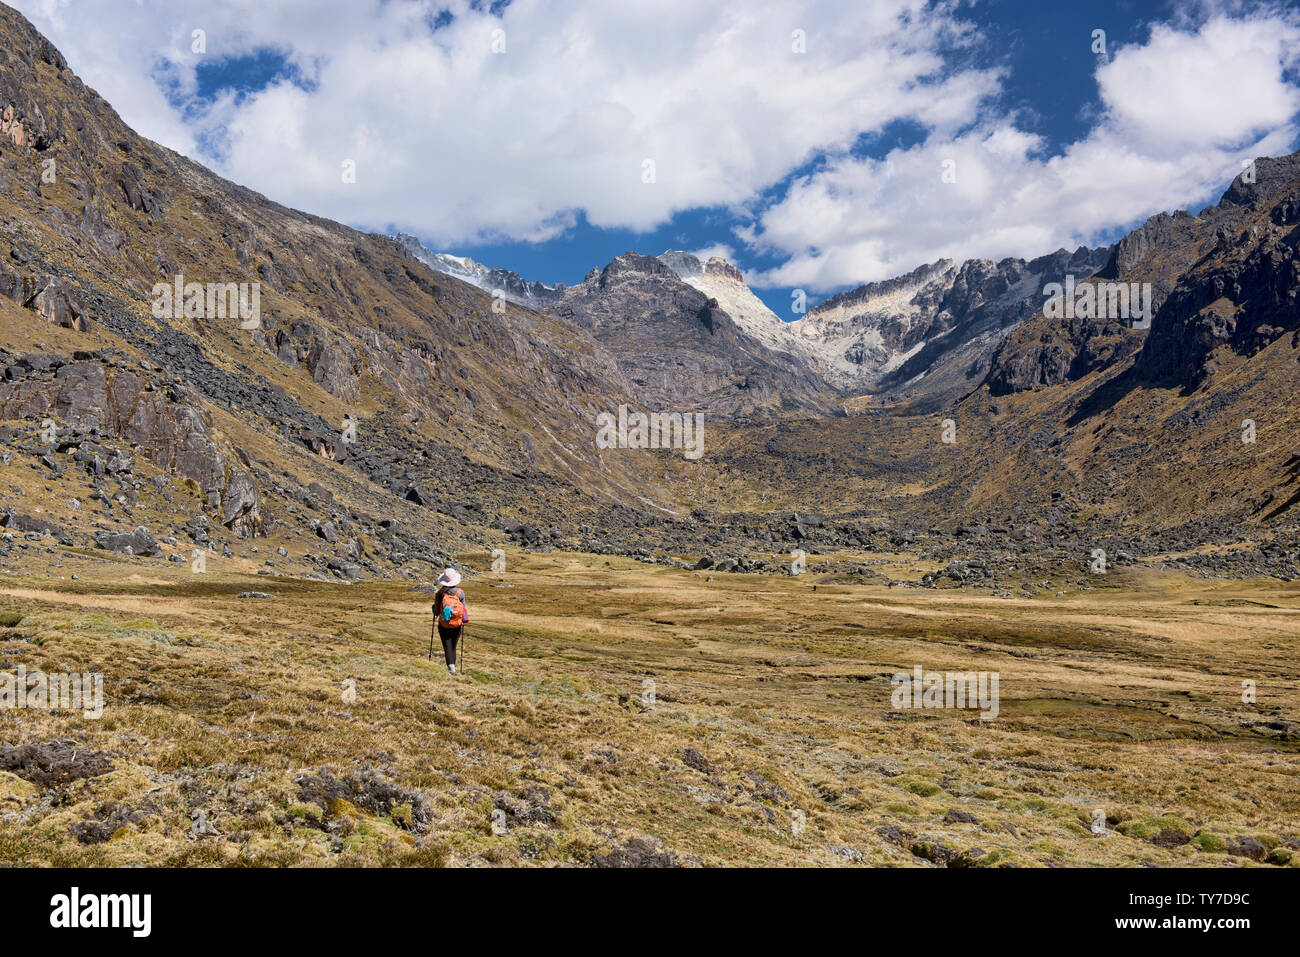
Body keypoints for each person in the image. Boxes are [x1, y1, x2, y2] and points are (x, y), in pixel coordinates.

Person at [433, 567, 469, 675]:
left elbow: (436, 612)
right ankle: (453, 666)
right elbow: (463, 609)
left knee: (447, 646)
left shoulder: (439, 594)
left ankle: (451, 668)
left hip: (444, 624)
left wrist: (434, 608)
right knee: (453, 646)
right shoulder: (460, 593)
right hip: (457, 624)